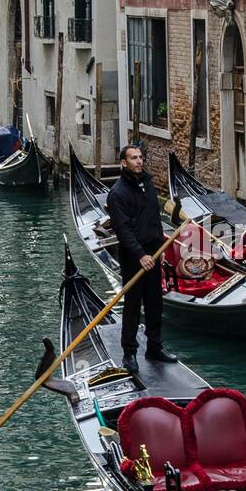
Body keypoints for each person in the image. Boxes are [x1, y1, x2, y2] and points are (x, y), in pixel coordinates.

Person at [106, 144, 178, 372]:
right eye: (133, 158)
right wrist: (140, 255)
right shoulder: (117, 194)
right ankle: (129, 353)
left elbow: (154, 218)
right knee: (133, 305)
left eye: (140, 157)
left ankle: (154, 347)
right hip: (132, 257)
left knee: (155, 303)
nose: (139, 161)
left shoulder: (147, 184)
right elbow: (122, 229)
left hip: (154, 253)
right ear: (123, 163)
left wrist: (159, 245)